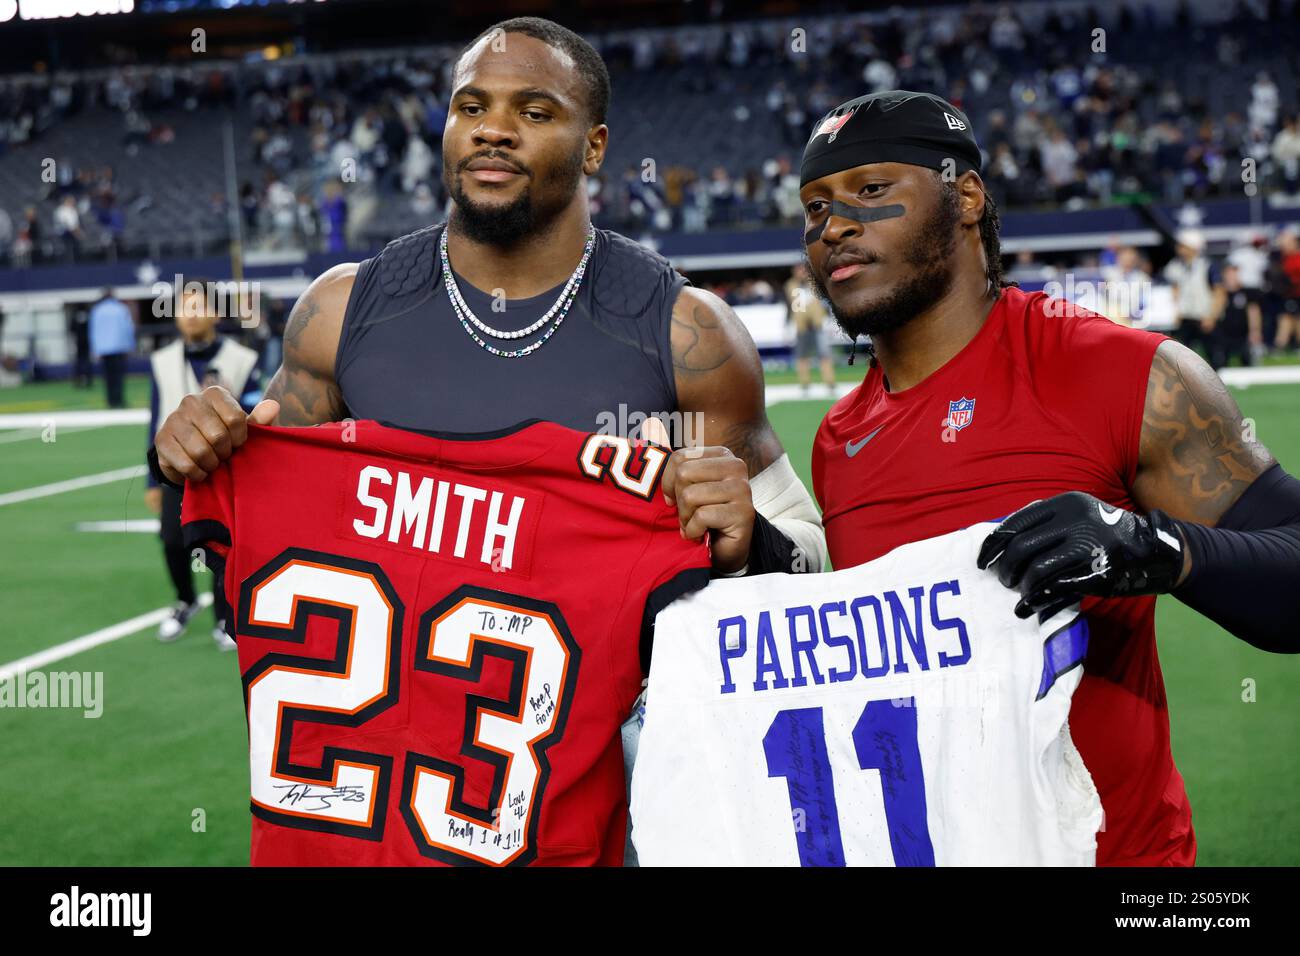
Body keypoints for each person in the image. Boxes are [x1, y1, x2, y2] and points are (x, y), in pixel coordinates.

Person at [149, 18, 827, 865]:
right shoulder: (340, 314)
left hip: (597, 808)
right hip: (361, 816)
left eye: (536, 111)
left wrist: (745, 538)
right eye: (471, 105)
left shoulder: (688, 335)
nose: (494, 128)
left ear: (595, 148)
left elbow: (809, 563)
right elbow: (248, 505)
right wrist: (194, 451)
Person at [802, 90, 1300, 867]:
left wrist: (1156, 549)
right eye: (814, 208)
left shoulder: (1121, 371)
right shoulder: (837, 441)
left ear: (966, 198)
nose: (832, 227)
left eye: (871, 192)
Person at [146, 281, 261, 648]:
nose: (189, 315)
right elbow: (155, 418)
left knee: (221, 541)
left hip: (224, 470)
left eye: (197, 307)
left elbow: (255, 412)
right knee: (170, 540)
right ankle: (185, 600)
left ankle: (225, 615)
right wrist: (152, 479)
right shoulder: (161, 361)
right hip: (174, 471)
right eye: (183, 307)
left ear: (215, 312)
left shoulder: (242, 358)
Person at [784, 261, 836, 395]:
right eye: (798, 270)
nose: (801, 273)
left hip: (817, 325)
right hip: (802, 326)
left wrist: (828, 319)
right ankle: (805, 384)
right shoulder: (790, 285)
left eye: (803, 270)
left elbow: (826, 301)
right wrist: (787, 324)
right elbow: (789, 306)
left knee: (824, 354)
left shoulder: (815, 283)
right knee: (802, 356)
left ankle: (830, 383)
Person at [1204, 262, 1262, 371]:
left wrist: (1255, 331)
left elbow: (1253, 312)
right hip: (1223, 335)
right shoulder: (1219, 293)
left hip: (1242, 335)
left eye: (1235, 274)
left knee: (1247, 363)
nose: (1232, 277)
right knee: (1220, 364)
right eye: (1229, 274)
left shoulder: (1246, 293)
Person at [1163, 230, 1213, 356]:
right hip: (1184, 317)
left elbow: (1219, 293)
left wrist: (1212, 315)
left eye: (1183, 246)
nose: (1179, 249)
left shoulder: (1207, 266)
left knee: (1211, 354)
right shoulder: (1175, 266)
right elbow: (1173, 290)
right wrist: (1173, 311)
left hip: (1203, 317)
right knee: (1184, 354)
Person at [88, 288, 134, 409]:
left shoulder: (97, 310)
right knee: (119, 376)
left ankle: (110, 401)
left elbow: (93, 331)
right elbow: (128, 328)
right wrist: (130, 345)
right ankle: (119, 400)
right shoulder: (121, 308)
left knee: (108, 377)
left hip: (104, 349)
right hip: (119, 347)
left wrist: (95, 349)